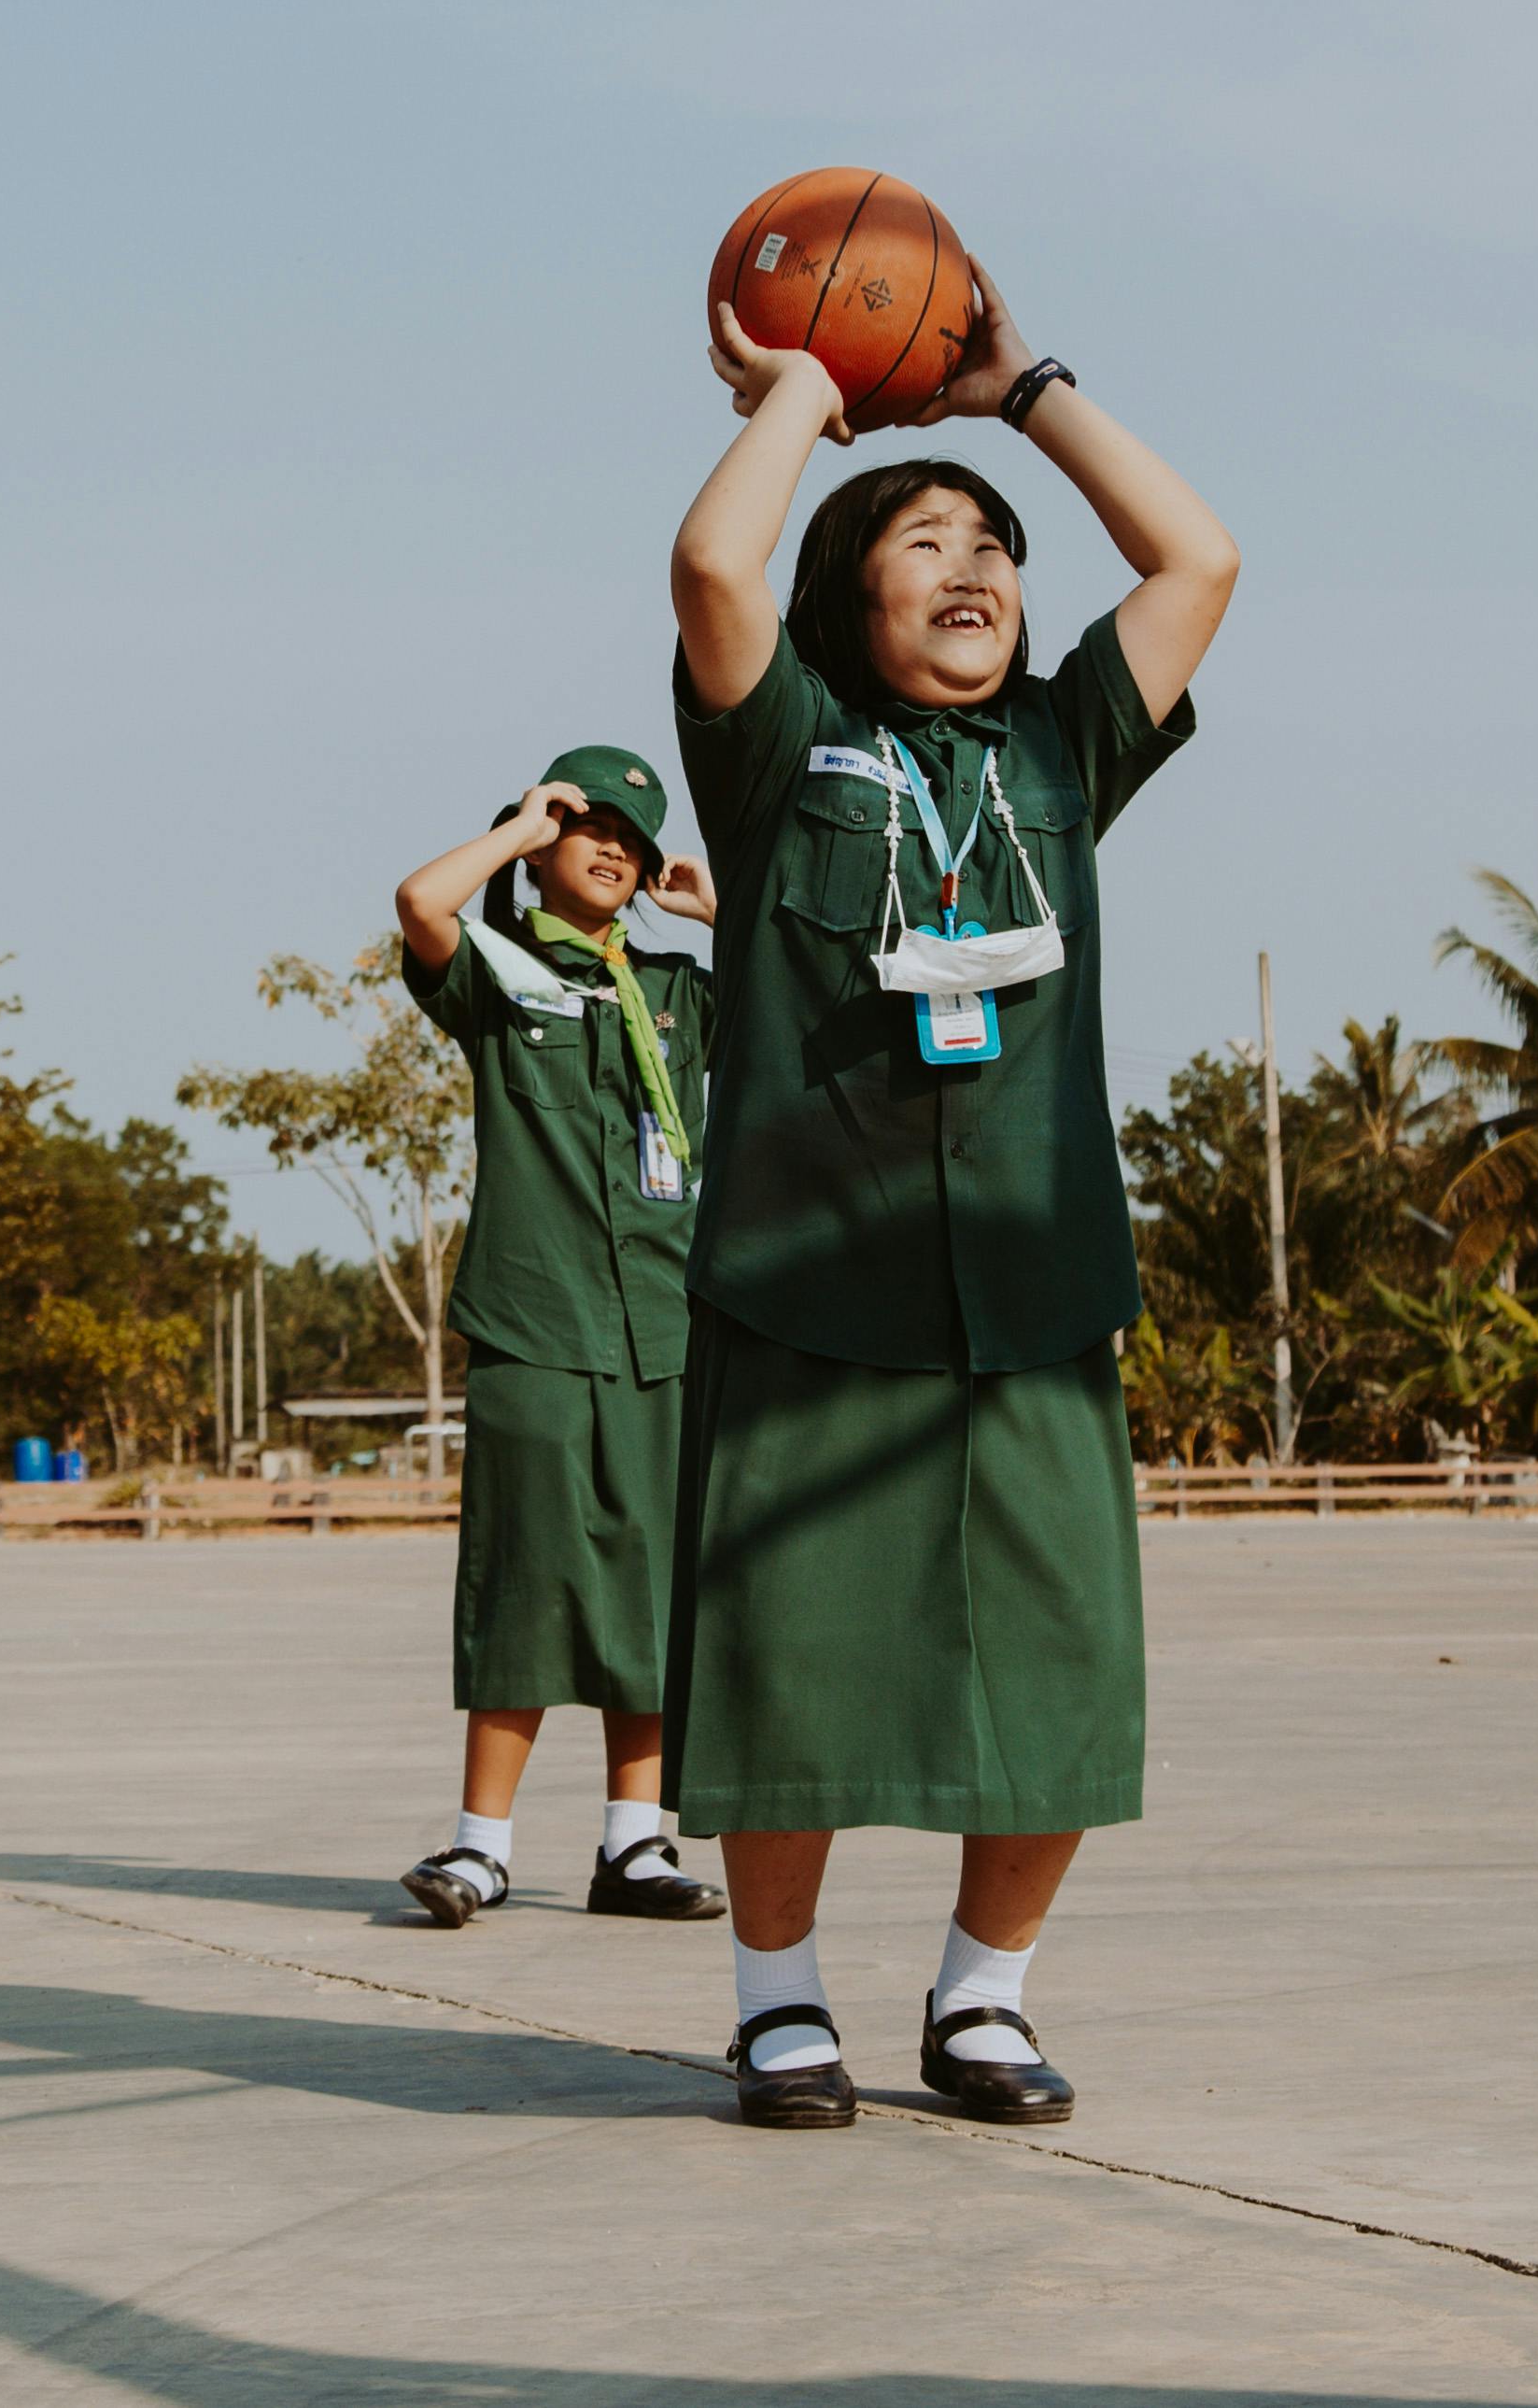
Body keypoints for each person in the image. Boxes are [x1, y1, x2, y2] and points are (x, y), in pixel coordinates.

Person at [664, 266, 1237, 2129]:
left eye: (989, 544)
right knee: (788, 1662)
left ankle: (982, 1998)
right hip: (808, 1290)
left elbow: (1197, 562)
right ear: (856, 596)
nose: (971, 561)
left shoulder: (1059, 755)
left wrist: (1016, 394)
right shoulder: (780, 754)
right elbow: (711, 577)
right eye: (922, 542)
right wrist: (801, 394)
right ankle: (775, 2003)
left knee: (1060, 1669)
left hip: (1035, 1293)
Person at [384, 748, 730, 1933]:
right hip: (535, 1314)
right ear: (537, 839)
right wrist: (518, 828)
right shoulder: (500, 970)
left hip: (665, 1324)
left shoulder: (681, 993)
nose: (610, 845)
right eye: (584, 824)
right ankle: (481, 1848)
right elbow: (422, 904)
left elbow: (811, 994)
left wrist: (710, 903)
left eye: (630, 835)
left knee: (652, 1587)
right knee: (524, 1577)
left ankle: (635, 1844)